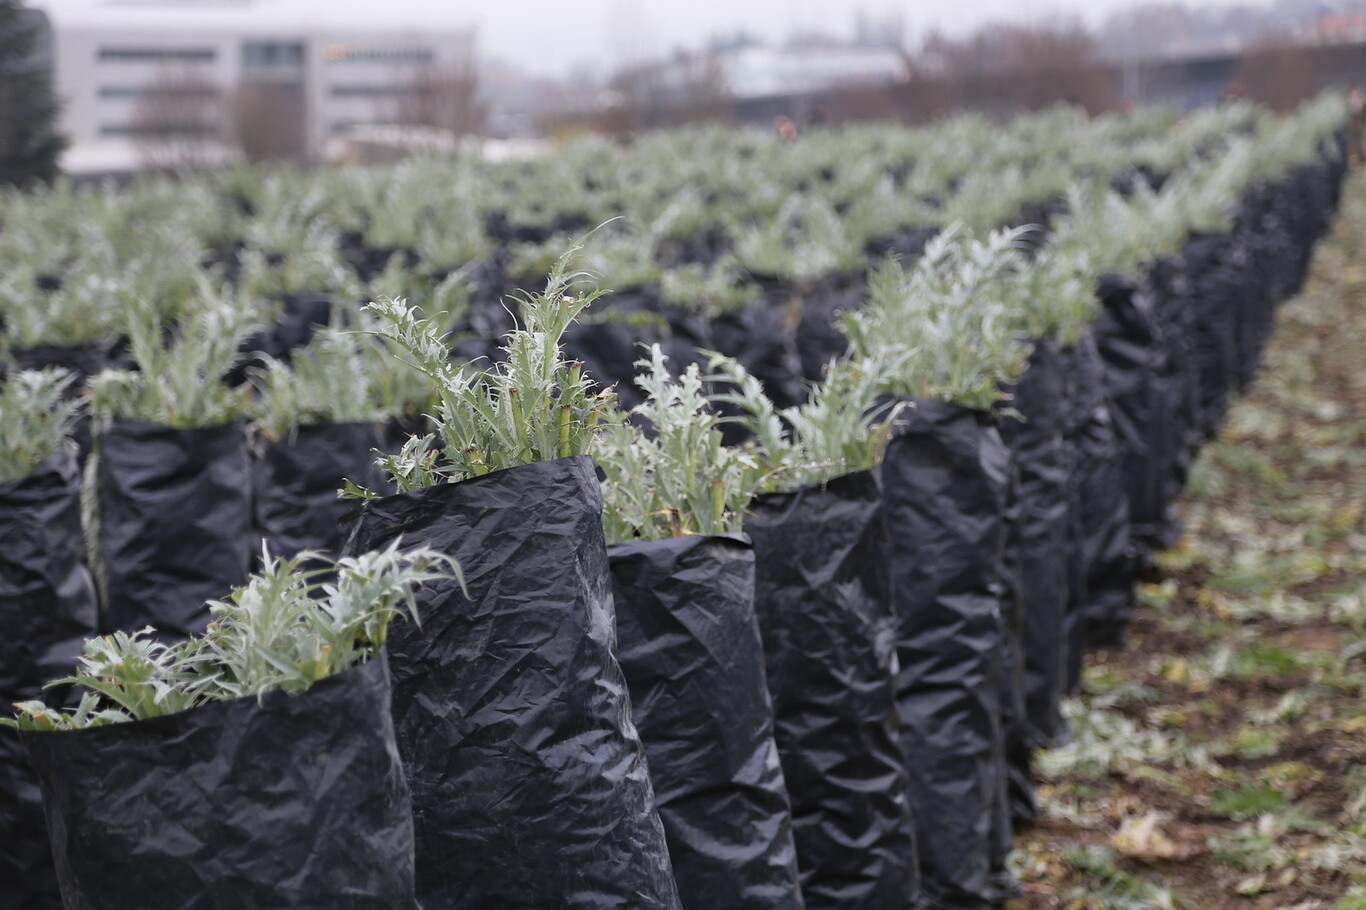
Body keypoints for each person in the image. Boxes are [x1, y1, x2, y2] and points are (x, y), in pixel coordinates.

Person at [1349, 82, 1366, 166]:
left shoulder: (1361, 98)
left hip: (1360, 121)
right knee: (1357, 140)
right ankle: (1358, 159)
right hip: (1356, 121)